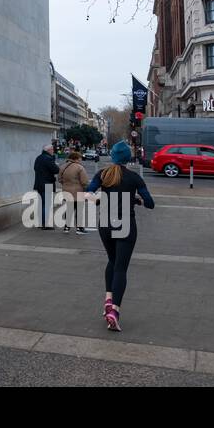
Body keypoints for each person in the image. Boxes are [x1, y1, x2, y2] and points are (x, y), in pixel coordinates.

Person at [86, 141, 155, 331]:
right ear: (127, 158)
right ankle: (114, 311)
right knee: (121, 268)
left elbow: (88, 194)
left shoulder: (102, 174)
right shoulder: (134, 178)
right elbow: (150, 203)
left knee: (112, 261)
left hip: (105, 225)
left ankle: (108, 300)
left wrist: (101, 199)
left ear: (113, 157)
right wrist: (136, 200)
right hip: (125, 226)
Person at [59, 150, 91, 235]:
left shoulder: (63, 167)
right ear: (76, 158)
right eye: (80, 158)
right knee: (79, 210)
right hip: (78, 191)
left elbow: (59, 179)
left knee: (69, 209)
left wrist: (66, 185)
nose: (81, 160)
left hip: (66, 191)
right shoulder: (79, 167)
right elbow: (84, 182)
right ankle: (79, 228)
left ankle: (66, 227)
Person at [33, 143, 60, 230]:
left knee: (41, 204)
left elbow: (35, 168)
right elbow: (56, 170)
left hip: (39, 184)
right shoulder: (48, 159)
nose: (53, 151)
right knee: (47, 205)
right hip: (47, 184)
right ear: (48, 150)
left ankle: (40, 223)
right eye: (52, 149)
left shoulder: (38, 158)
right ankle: (46, 224)